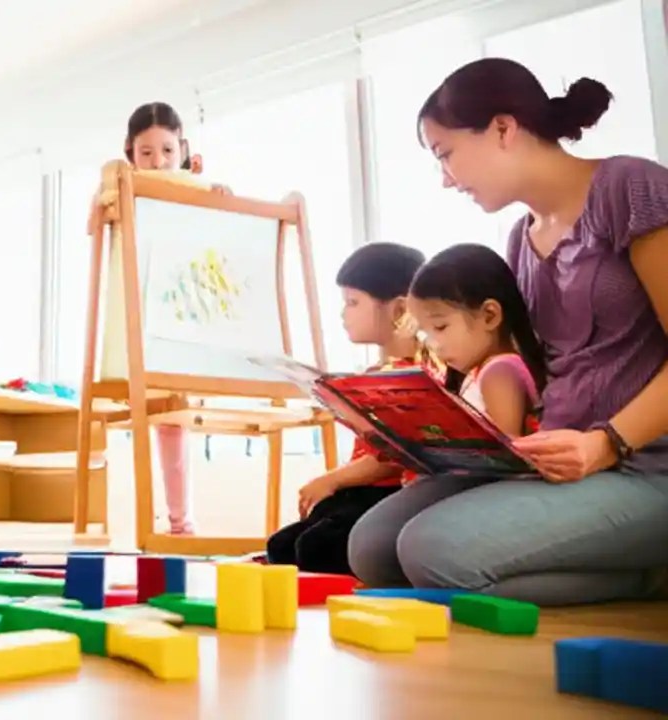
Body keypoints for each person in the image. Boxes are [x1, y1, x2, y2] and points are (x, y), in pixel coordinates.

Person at [348, 57, 668, 606]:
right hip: (560, 461)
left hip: (643, 466)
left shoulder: (629, 187)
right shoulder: (521, 241)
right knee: (373, 547)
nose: (446, 178)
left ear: (502, 129)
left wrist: (605, 443)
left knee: (433, 551)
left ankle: (649, 576)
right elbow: (541, 373)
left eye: (445, 154)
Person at [90, 102, 230, 535]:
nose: (158, 162)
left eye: (167, 151)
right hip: (135, 312)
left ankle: (180, 521)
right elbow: (95, 225)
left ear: (182, 150)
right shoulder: (122, 183)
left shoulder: (190, 188)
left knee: (173, 423)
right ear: (131, 152)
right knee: (145, 413)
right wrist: (109, 188)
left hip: (176, 314)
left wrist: (216, 195)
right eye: (146, 152)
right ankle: (164, 519)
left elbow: (210, 246)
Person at [266, 242, 427, 574]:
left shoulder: (416, 374)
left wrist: (333, 479)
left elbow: (394, 457)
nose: (343, 314)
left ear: (398, 310)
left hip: (386, 493)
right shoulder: (371, 375)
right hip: (358, 491)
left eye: (353, 302)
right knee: (280, 547)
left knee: (316, 548)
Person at [408, 243, 544, 436]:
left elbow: (507, 455)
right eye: (426, 333)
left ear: (489, 315)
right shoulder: (484, 372)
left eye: (440, 327)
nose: (433, 344)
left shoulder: (499, 372)